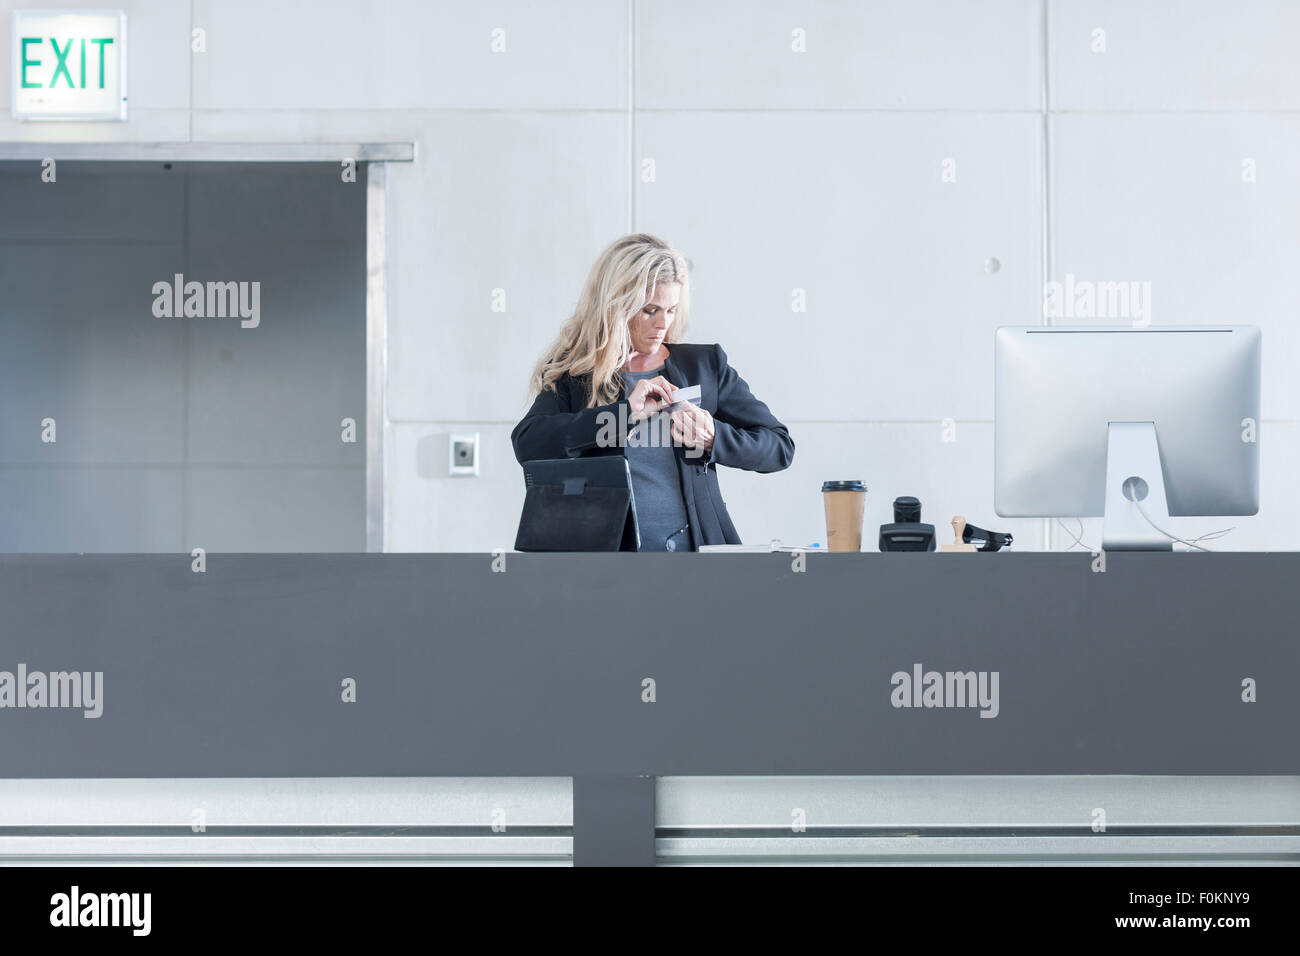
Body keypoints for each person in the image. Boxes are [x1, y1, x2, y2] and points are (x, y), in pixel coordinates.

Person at [512, 234, 794, 550]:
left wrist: (713, 437)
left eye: (671, 310)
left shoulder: (703, 365)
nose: (662, 324)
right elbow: (528, 444)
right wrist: (623, 415)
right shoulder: (575, 376)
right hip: (609, 569)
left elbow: (779, 447)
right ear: (615, 305)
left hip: (699, 564)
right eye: (650, 310)